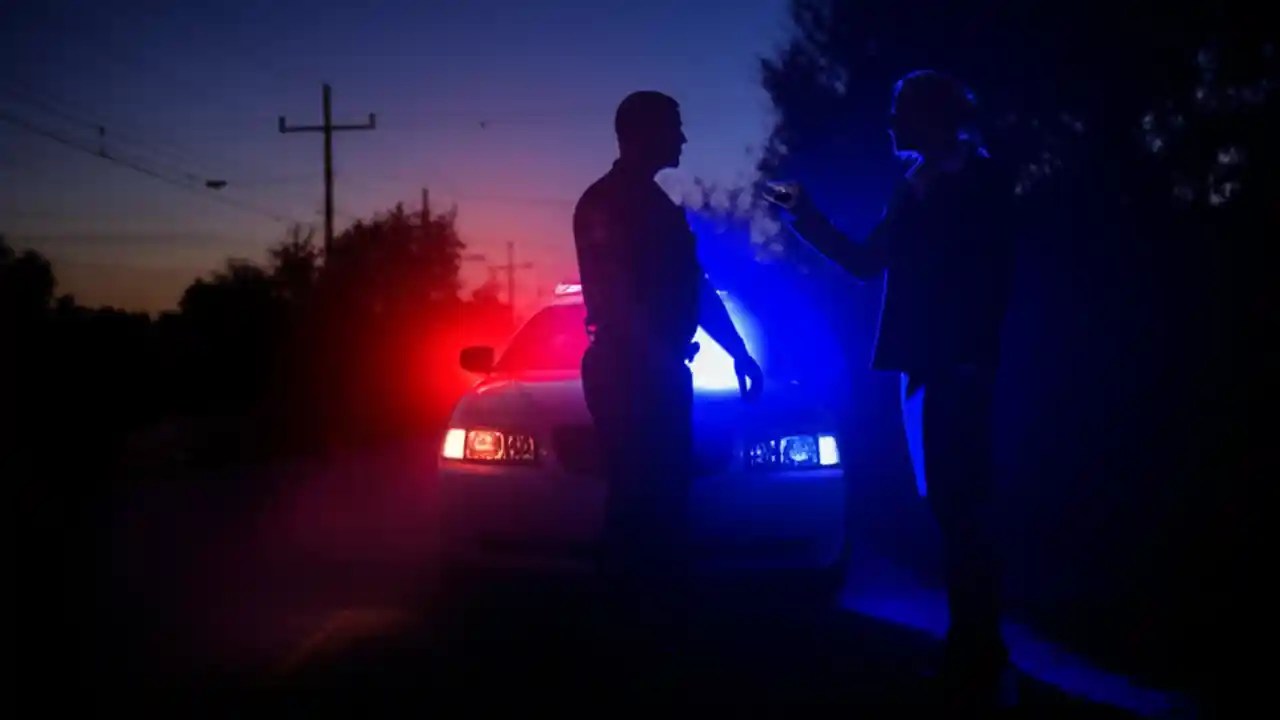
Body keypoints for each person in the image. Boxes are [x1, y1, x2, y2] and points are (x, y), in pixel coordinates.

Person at [767, 70, 1017, 709]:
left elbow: (996, 276)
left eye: (901, 110)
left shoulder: (982, 182)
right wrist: (806, 216)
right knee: (948, 508)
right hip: (919, 366)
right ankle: (975, 649)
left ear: (932, 117)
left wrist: (974, 357)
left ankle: (978, 655)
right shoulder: (912, 188)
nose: (890, 121)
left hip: (958, 366)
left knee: (964, 509)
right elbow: (864, 262)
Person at [573, 91, 764, 650]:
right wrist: (660, 364)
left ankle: (648, 633)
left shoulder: (653, 206)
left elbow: (696, 289)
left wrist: (737, 352)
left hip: (651, 373)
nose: (682, 139)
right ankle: (628, 636)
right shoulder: (606, 204)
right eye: (674, 127)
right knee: (640, 502)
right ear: (644, 131)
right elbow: (617, 297)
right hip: (630, 375)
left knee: (658, 502)